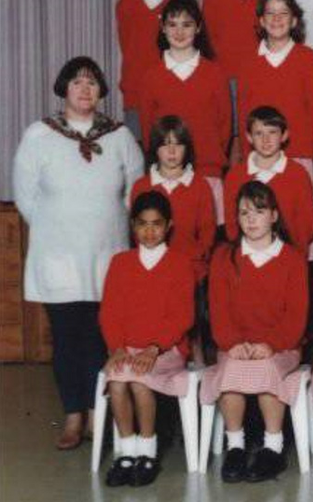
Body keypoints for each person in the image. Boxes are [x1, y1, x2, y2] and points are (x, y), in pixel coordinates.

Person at [13, 56, 144, 450]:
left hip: (108, 253)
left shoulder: (119, 137)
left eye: (91, 83)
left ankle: (98, 417)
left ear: (101, 91)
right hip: (59, 255)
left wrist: (108, 225)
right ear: (63, 89)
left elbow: (134, 191)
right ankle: (74, 415)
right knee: (68, 338)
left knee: (102, 336)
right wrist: (59, 227)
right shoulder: (39, 135)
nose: (84, 90)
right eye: (76, 83)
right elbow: (25, 195)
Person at [203, 181, 309, 483]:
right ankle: (235, 445)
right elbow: (218, 311)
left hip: (282, 346)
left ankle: (273, 447)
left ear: (274, 216)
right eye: (244, 213)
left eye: (259, 211)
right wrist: (232, 343)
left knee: (265, 369)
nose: (251, 219)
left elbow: (296, 317)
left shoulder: (292, 258)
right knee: (232, 369)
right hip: (235, 344)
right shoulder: (224, 257)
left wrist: (271, 344)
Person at [99, 191, 194, 487]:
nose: (149, 231)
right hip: (127, 347)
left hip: (166, 348)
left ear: (168, 226)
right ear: (132, 226)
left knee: (140, 381)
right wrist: (116, 348)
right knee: (116, 381)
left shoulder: (179, 263)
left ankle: (148, 452)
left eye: (156, 224)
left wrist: (154, 348)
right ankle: (126, 453)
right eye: (142, 224)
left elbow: (182, 316)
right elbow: (110, 312)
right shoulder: (121, 263)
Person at [139, 0, 232, 205]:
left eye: (187, 25)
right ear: (162, 27)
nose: (179, 32)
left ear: (198, 28)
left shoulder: (215, 74)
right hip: (167, 176)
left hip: (208, 172)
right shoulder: (151, 77)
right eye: (172, 25)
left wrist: (210, 161)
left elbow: (224, 129)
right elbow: (148, 133)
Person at [233, 0, 313, 179]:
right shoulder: (247, 63)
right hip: (258, 157)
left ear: (294, 21)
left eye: (283, 13)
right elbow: (243, 113)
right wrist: (247, 155)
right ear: (261, 20)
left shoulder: (309, 59)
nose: (277, 19)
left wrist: (309, 154)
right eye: (270, 13)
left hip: (299, 155)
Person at [130, 117, 217, 296]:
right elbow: (136, 234)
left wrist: (191, 263)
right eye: (165, 145)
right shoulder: (142, 186)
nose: (171, 151)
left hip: (192, 274)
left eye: (178, 145)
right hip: (152, 272)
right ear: (155, 149)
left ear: (187, 148)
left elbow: (207, 236)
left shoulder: (200, 186)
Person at [115, 0, 187, 131]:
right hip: (136, 96)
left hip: (174, 94)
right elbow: (127, 49)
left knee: (173, 154)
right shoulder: (126, 2)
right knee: (139, 159)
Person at [222, 106, 313, 255]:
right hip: (247, 256)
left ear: (284, 135)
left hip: (289, 256)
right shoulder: (235, 176)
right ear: (248, 137)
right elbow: (231, 225)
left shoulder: (298, 174)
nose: (266, 140)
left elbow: (307, 225)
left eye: (272, 132)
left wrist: (292, 255)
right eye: (259, 133)